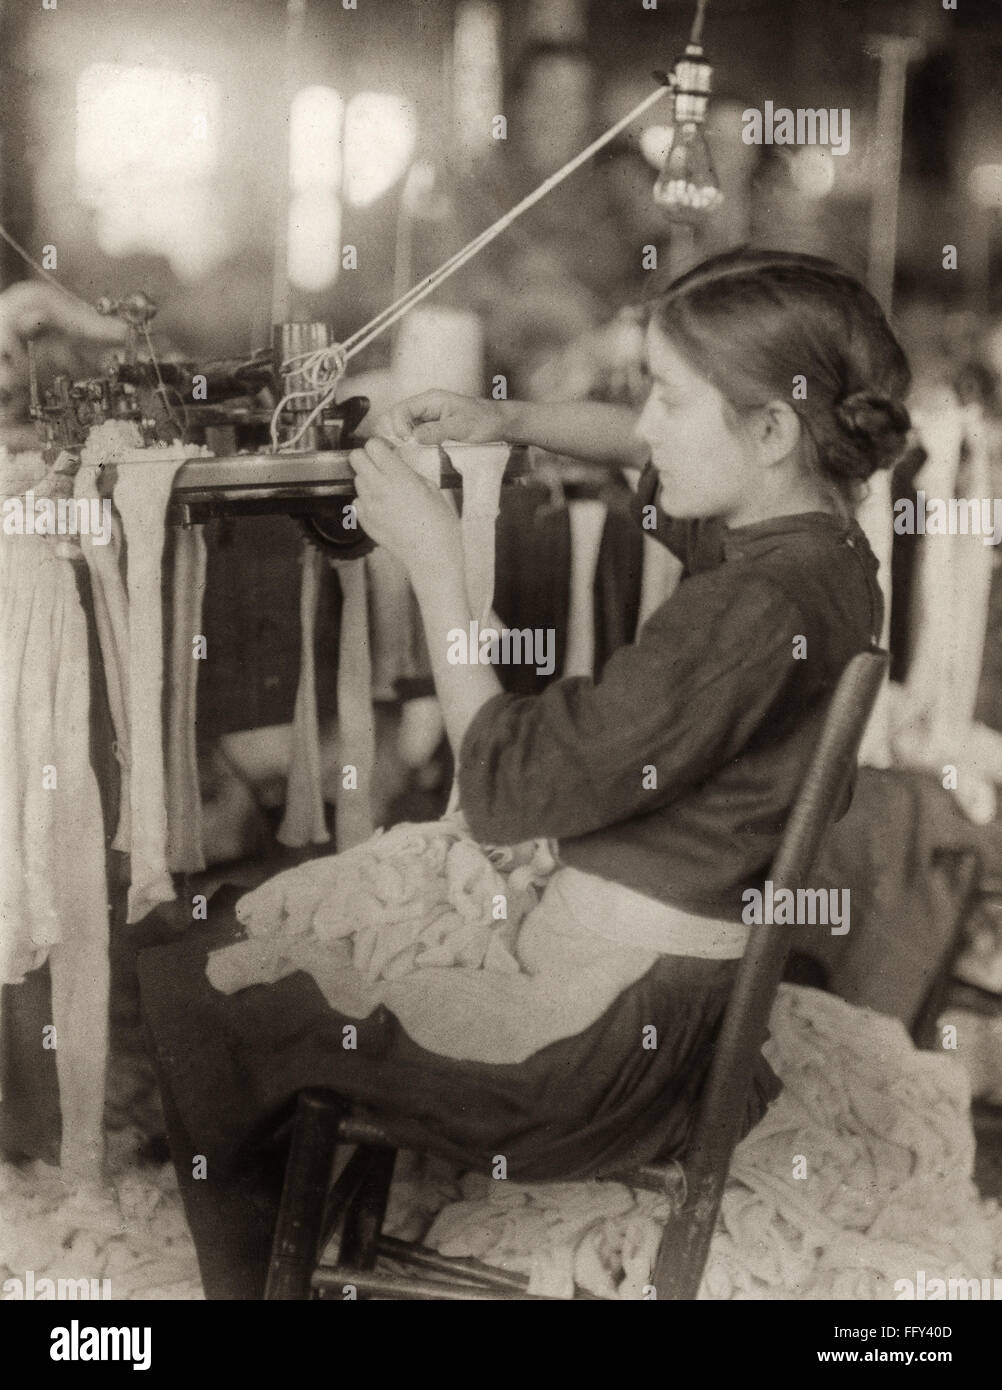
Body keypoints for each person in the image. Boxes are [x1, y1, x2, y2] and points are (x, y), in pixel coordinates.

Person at [139, 249, 911, 1298]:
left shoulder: (745, 612)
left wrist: (435, 562)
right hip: (672, 1006)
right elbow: (643, 462)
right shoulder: (818, 553)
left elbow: (504, 784)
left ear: (772, 431)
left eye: (668, 399)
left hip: (587, 1056)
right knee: (255, 934)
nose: (642, 426)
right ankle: (296, 1198)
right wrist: (506, 423)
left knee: (200, 982)